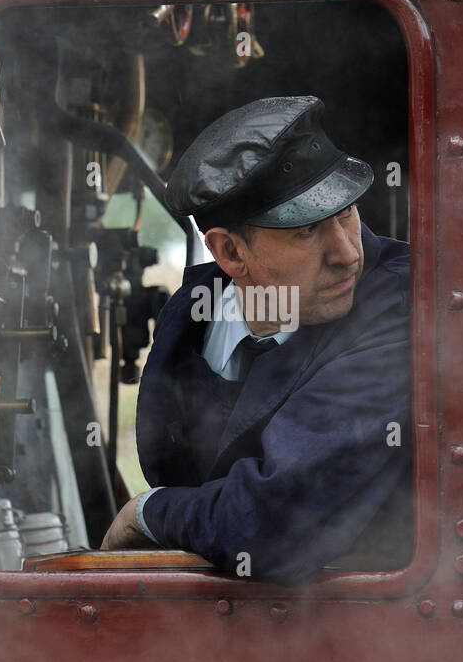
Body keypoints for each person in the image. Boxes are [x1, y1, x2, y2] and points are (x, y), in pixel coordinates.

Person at [100, 95, 412, 583]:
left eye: (347, 212)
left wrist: (147, 514)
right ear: (229, 252)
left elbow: (272, 524)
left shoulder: (402, 309)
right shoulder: (191, 313)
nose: (348, 253)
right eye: (307, 231)